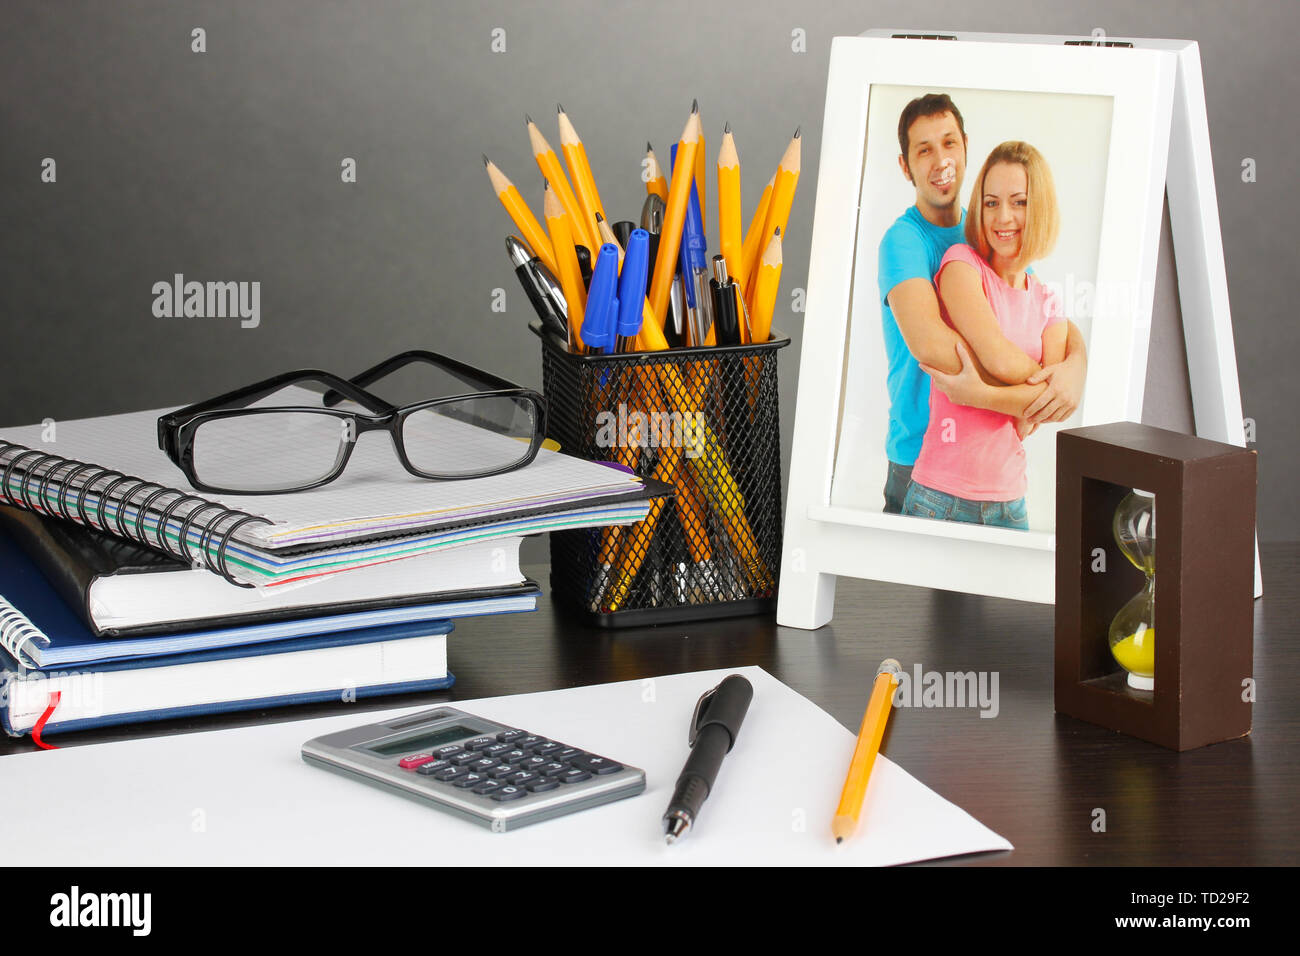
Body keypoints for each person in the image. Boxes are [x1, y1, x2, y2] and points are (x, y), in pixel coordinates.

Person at [877, 94, 1087, 514]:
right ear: (905, 166)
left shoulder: (988, 228)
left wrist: (1076, 365)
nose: (941, 160)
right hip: (920, 458)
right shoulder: (904, 242)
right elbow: (933, 346)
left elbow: (1040, 307)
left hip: (994, 470)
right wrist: (1042, 389)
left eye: (949, 143)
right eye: (924, 150)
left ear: (966, 147)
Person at [903, 141, 1066, 529]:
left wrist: (976, 394)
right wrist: (1036, 390)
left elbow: (1035, 416)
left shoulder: (1049, 301)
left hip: (1010, 503)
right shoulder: (961, 266)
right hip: (938, 497)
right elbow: (996, 356)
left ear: (1040, 207)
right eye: (991, 203)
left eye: (1019, 202)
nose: (1003, 217)